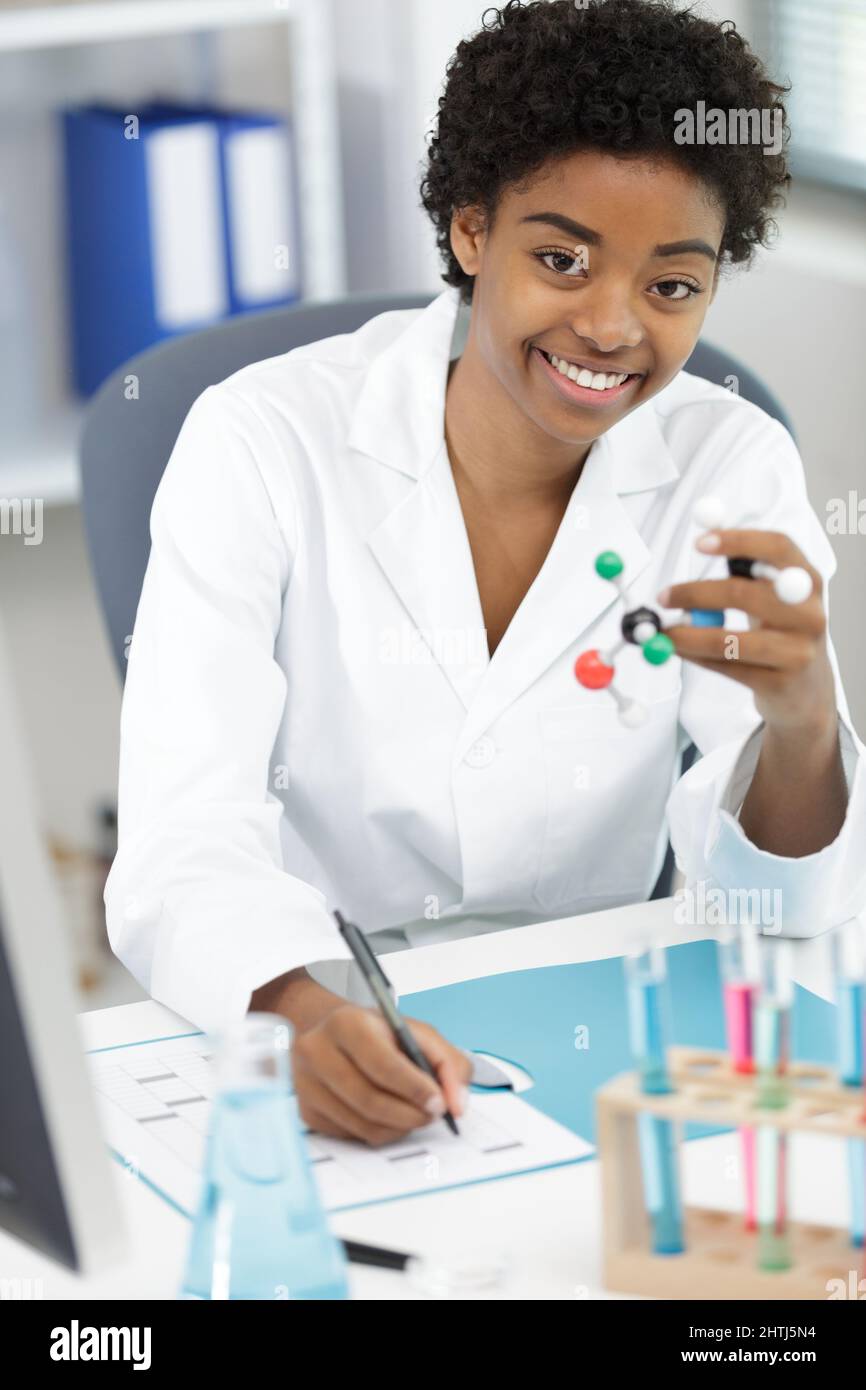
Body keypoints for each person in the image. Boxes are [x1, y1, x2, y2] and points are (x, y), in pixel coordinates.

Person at [105, 0, 866, 1147]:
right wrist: (294, 1010)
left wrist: (800, 720)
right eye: (560, 259)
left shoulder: (728, 458)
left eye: (670, 285)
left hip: (603, 1019)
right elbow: (180, 834)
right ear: (470, 233)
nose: (610, 325)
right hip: (325, 998)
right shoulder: (261, 438)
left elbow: (781, 905)